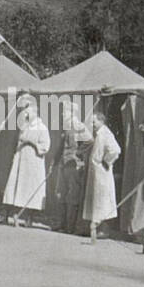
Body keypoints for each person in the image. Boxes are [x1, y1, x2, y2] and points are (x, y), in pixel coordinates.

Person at [1, 93, 50, 228]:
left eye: (28, 112)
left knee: (31, 189)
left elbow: (45, 146)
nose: (26, 115)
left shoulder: (42, 127)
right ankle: (12, 215)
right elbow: (19, 141)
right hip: (21, 160)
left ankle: (29, 218)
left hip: (34, 162)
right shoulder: (24, 126)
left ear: (35, 112)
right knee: (16, 187)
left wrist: (31, 141)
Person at [54, 100, 93, 233]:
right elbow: (61, 146)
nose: (62, 113)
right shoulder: (66, 126)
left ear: (71, 112)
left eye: (64, 111)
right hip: (64, 163)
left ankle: (70, 227)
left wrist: (78, 153)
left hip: (73, 164)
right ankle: (61, 224)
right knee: (61, 193)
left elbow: (89, 140)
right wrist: (55, 161)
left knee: (72, 195)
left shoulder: (77, 125)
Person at [83, 110, 121, 243]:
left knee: (103, 201)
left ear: (101, 121)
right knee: (97, 201)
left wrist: (106, 161)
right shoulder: (99, 134)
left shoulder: (106, 134)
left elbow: (116, 150)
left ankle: (104, 229)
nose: (92, 124)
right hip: (96, 173)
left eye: (94, 122)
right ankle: (98, 228)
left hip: (102, 173)